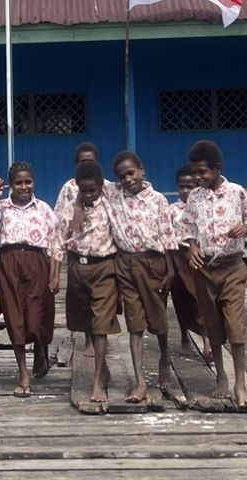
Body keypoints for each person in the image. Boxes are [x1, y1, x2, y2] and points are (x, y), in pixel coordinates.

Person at [184, 139, 247, 409]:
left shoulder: (236, 192)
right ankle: (221, 377)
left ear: (217, 169)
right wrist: (192, 248)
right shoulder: (194, 197)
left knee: (235, 323)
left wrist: (245, 226)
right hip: (205, 269)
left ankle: (240, 383)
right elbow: (190, 229)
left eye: (202, 172)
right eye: (195, 172)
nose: (198, 177)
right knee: (213, 324)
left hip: (232, 266)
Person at [0, 160, 60, 398]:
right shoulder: (1, 207)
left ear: (34, 182)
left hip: (38, 263)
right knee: (15, 318)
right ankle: (23, 373)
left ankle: (41, 349)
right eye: (18, 183)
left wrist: (55, 275)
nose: (24, 187)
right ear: (11, 184)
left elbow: (56, 243)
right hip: (9, 263)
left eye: (28, 182)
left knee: (38, 317)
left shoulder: (44, 209)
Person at [107, 150, 176, 403]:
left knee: (158, 318)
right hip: (125, 263)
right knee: (134, 324)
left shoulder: (157, 200)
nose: (127, 179)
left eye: (131, 173)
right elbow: (87, 180)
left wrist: (170, 269)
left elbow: (168, 236)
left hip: (153, 262)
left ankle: (164, 357)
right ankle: (140, 382)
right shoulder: (114, 196)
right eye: (122, 176)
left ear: (142, 170)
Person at [55, 160, 119, 406]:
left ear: (102, 186)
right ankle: (102, 370)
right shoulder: (70, 206)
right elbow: (58, 238)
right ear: (78, 187)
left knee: (102, 324)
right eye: (85, 190)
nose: (90, 194)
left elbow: (133, 184)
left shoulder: (112, 198)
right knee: (85, 320)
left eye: (94, 189)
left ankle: (97, 379)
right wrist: (55, 273)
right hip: (77, 267)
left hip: (105, 266)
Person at [168, 164, 211, 362]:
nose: (185, 191)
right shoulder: (172, 210)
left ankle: (206, 340)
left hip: (197, 255)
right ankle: (185, 336)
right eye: (182, 187)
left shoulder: (202, 207)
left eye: (190, 186)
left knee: (200, 297)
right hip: (177, 256)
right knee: (180, 298)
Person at [54, 141, 101, 212]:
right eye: (83, 161)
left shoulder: (105, 185)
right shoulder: (69, 187)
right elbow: (59, 214)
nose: (87, 164)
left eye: (90, 161)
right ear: (76, 164)